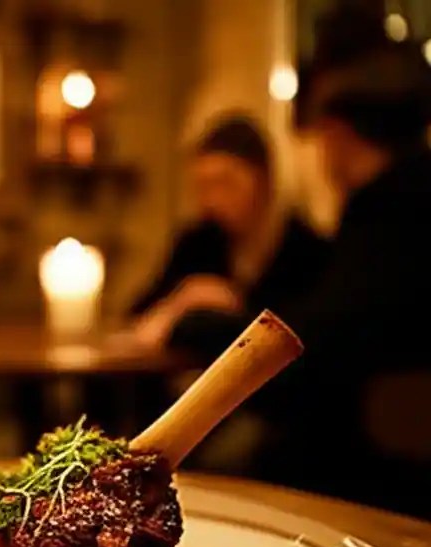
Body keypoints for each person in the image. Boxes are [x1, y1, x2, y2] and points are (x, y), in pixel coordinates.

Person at [167, 47, 431, 506]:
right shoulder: (406, 202)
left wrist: (194, 323)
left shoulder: (386, 216)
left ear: (337, 135)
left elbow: (316, 352)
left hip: (384, 476)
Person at [131, 115, 330, 347]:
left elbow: (303, 336)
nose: (213, 200)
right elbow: (137, 317)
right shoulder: (199, 241)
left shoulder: (306, 249)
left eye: (225, 182)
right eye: (203, 187)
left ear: (264, 180)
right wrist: (183, 299)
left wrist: (235, 307)